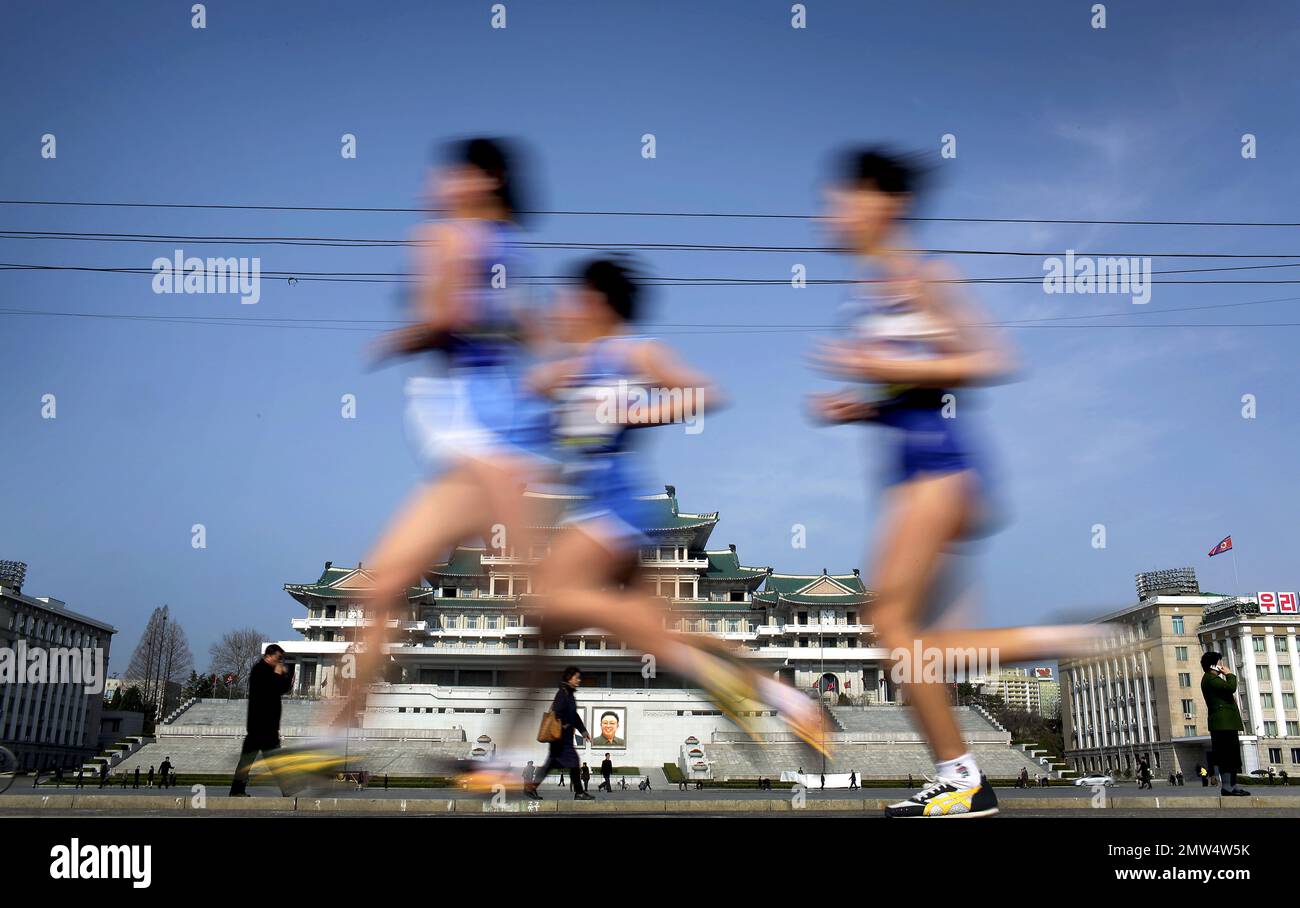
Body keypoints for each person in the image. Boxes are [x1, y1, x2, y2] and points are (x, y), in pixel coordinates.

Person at [810, 146, 1107, 819]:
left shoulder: (922, 276)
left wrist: (879, 359)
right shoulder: (875, 288)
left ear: (886, 204)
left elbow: (992, 357)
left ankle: (968, 770)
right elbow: (918, 381)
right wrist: (863, 405)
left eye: (843, 198)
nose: (829, 212)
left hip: (941, 471)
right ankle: (974, 757)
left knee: (888, 623)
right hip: (917, 474)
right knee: (911, 648)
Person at [354, 137, 553, 728]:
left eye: (449, 176)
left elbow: (455, 318)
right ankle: (329, 740)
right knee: (383, 582)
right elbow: (528, 334)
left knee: (544, 599)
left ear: (484, 179)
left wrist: (410, 333)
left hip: (494, 444)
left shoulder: (451, 238)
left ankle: (514, 752)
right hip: (473, 448)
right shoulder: (504, 245)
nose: (437, 187)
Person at [229, 644, 295, 796]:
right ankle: (286, 789)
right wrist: (279, 674)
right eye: (278, 658)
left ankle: (237, 790)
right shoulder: (259, 670)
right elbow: (271, 689)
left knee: (249, 760)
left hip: (265, 725)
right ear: (269, 656)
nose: (280, 662)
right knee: (270, 760)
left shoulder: (270, 671)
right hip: (261, 725)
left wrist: (285, 675)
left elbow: (283, 689)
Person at [526, 667, 594, 801]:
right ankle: (579, 792)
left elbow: (574, 715)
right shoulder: (563, 693)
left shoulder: (569, 694)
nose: (579, 680)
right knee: (574, 762)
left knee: (551, 764)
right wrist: (565, 725)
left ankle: (531, 787)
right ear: (569, 678)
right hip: (561, 739)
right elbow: (557, 711)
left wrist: (583, 731)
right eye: (577, 677)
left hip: (562, 739)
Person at [1201, 651, 1250, 796]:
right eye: (1219, 663)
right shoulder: (1210, 679)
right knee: (1226, 757)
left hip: (1227, 723)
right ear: (1213, 665)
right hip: (1222, 724)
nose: (1221, 665)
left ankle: (1233, 785)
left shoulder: (1213, 679)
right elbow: (1231, 687)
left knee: (1233, 756)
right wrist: (1229, 674)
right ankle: (1227, 787)